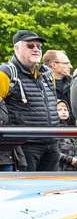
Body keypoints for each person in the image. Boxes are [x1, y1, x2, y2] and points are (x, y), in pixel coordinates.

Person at [1, 31, 60, 171]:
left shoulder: (47, 73)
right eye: (30, 45)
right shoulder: (6, 72)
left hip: (52, 145)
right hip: (25, 147)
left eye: (39, 46)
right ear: (17, 48)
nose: (36, 49)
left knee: (51, 190)